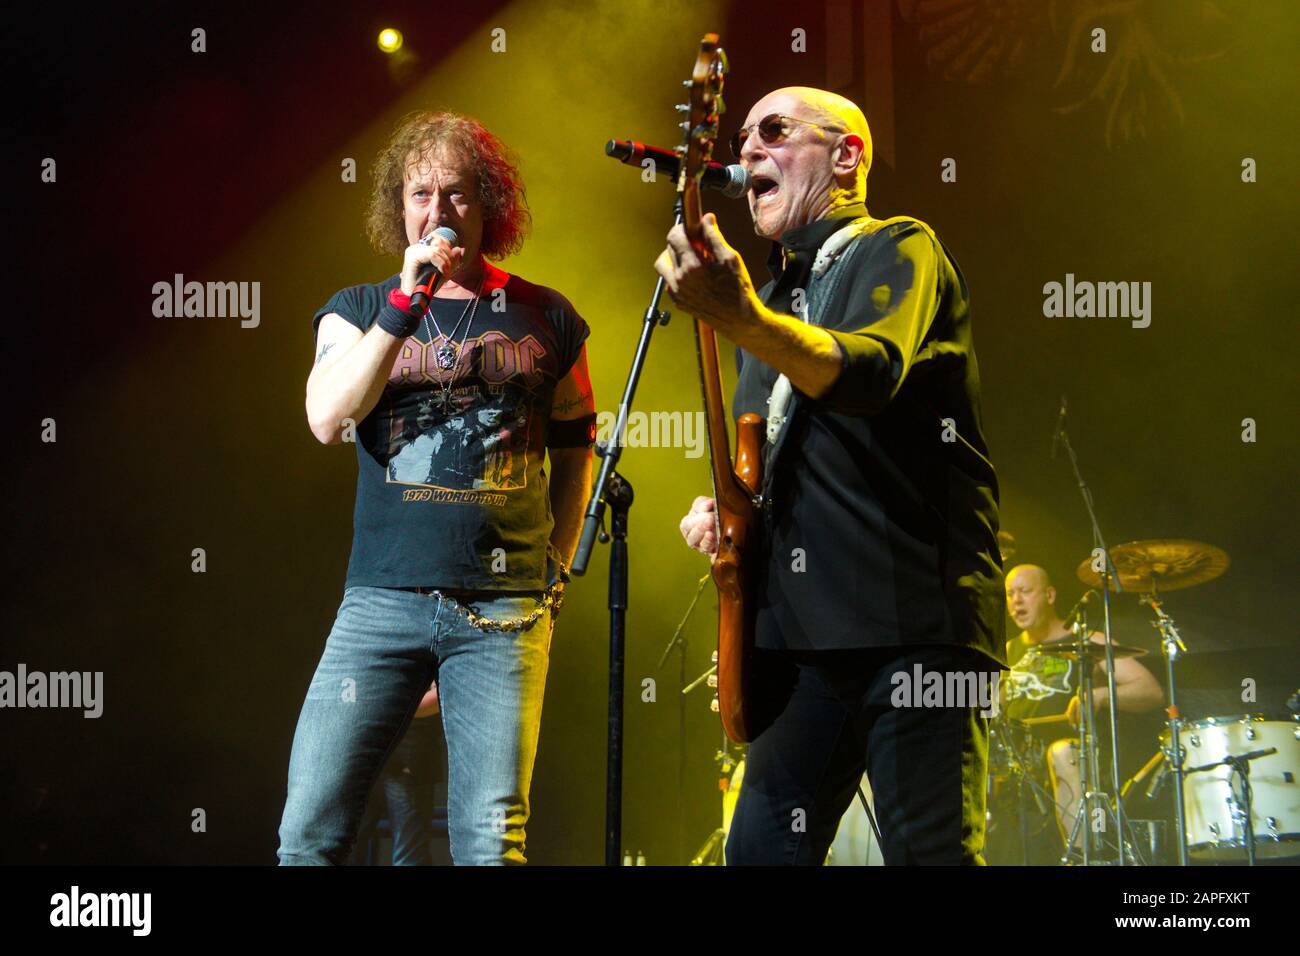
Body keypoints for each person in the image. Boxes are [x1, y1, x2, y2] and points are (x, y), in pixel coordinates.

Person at [664, 87, 1004, 865]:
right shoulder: (773, 300)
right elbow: (770, 459)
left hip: (914, 623)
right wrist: (729, 513)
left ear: (846, 156)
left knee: (930, 852)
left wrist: (741, 317)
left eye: (774, 132)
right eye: (744, 136)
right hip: (802, 641)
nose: (748, 150)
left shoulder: (899, 246)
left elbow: (869, 374)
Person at [277, 110, 596, 865]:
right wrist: (402, 307)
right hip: (381, 602)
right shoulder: (355, 310)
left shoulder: (549, 315)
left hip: (504, 609)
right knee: (308, 830)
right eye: (420, 193)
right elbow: (328, 417)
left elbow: (578, 441)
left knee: (490, 839)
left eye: (456, 194)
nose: (437, 212)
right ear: (399, 206)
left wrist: (557, 559)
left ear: (490, 206)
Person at [1002, 564, 1163, 852]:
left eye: (1025, 592)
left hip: (1079, 756)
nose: (1016, 601)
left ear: (1050, 595)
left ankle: (1082, 856)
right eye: (1010, 594)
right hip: (1020, 763)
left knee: (1062, 751)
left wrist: (1098, 695)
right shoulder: (1003, 653)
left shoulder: (1088, 641)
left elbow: (1150, 691)